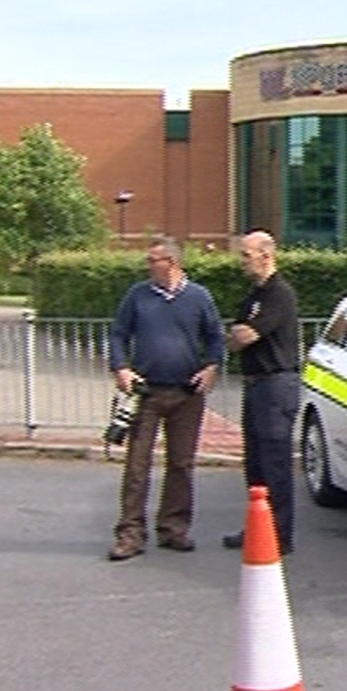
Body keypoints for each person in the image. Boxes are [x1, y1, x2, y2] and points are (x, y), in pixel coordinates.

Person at [106, 235, 226, 561]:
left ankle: (174, 528)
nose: (147, 266)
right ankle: (130, 534)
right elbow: (119, 333)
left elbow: (215, 336)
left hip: (187, 392)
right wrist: (121, 368)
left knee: (181, 463)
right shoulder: (137, 296)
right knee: (137, 465)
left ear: (171, 263)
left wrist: (213, 367)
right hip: (146, 391)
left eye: (152, 260)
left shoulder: (199, 297)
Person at [222, 230, 302, 555]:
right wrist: (238, 334)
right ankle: (258, 526)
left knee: (274, 462)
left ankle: (279, 535)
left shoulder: (279, 294)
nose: (241, 261)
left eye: (246, 255)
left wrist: (240, 334)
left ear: (266, 255)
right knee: (255, 463)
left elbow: (246, 335)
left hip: (276, 385)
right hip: (256, 385)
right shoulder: (253, 296)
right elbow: (235, 333)